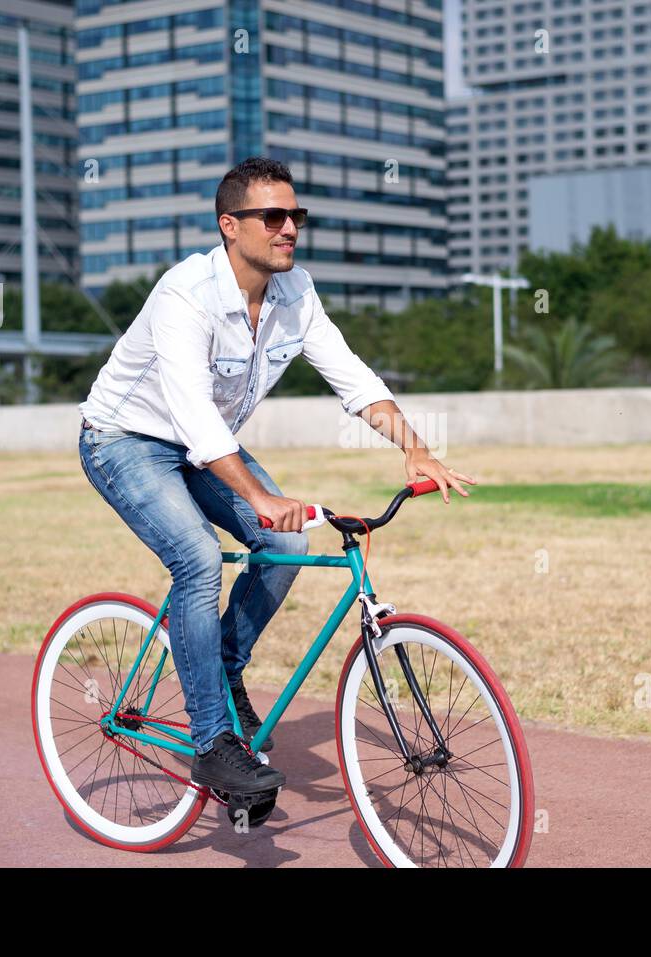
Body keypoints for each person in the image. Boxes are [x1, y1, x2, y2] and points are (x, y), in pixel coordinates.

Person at [77, 157, 476, 800]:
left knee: (288, 543)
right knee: (198, 559)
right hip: (125, 439)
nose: (289, 227)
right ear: (229, 226)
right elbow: (195, 417)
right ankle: (212, 744)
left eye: (297, 216)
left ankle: (223, 676)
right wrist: (260, 496)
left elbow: (351, 377)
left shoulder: (297, 293)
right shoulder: (185, 294)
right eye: (274, 217)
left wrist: (414, 447)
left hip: (202, 445)